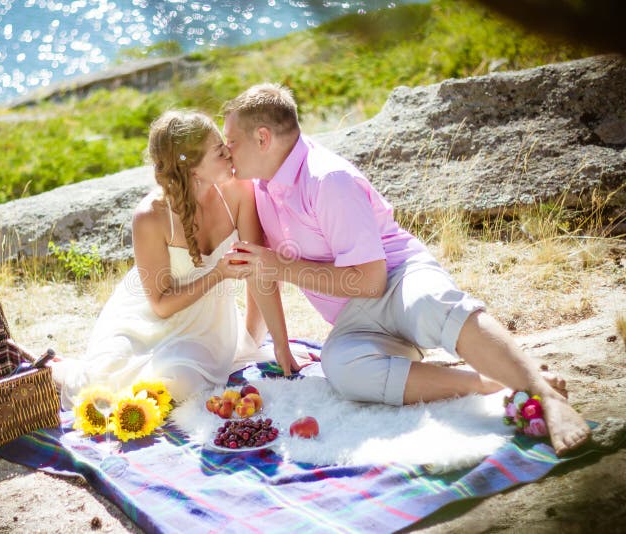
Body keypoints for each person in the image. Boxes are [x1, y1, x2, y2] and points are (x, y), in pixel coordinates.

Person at [220, 83, 590, 456]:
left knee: (433, 304)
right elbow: (259, 267)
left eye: (231, 141)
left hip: (399, 280)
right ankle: (486, 382)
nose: (226, 150)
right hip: (355, 318)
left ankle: (546, 396)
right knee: (341, 367)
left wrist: (282, 267)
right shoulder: (260, 187)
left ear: (262, 138)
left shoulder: (327, 179)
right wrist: (281, 346)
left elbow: (370, 281)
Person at [53, 110, 298, 409]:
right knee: (106, 385)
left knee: (177, 383)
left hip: (207, 330)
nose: (229, 153)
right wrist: (218, 274)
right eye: (219, 151)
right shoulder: (150, 216)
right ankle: (57, 370)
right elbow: (160, 304)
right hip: (148, 323)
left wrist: (275, 343)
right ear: (193, 168)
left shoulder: (239, 191)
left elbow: (257, 271)